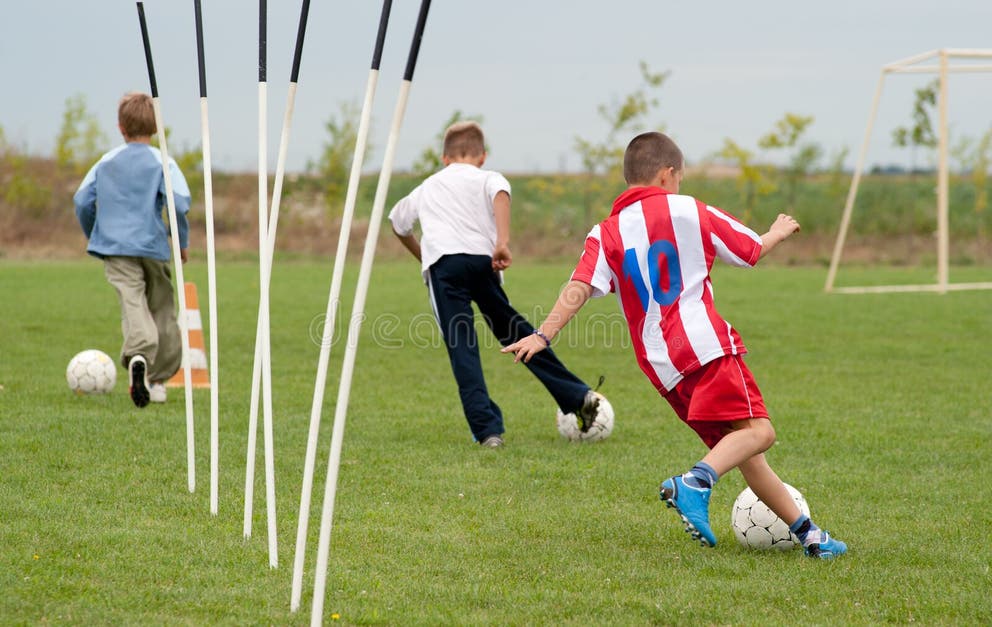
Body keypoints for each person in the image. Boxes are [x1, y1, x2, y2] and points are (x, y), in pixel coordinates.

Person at [502, 131, 846, 558]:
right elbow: (751, 250)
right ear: (667, 175)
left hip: (663, 367)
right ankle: (694, 483)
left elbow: (579, 287)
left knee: (744, 450)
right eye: (679, 178)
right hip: (706, 347)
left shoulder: (606, 231)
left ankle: (811, 536)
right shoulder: (688, 209)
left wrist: (542, 334)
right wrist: (777, 231)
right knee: (761, 432)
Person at [388, 121, 603, 448]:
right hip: (482, 263)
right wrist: (502, 242)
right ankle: (578, 396)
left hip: (445, 269)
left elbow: (398, 222)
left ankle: (489, 433)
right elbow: (500, 193)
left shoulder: (428, 186)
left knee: (463, 349)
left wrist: (424, 257)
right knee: (520, 333)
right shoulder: (488, 177)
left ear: (445, 157)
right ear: (482, 156)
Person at [73, 92, 190, 408]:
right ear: (154, 127)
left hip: (115, 247)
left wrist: (94, 233)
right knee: (163, 307)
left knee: (133, 301)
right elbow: (179, 203)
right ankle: (158, 380)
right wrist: (181, 240)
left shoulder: (106, 161)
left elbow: (82, 201)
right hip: (153, 244)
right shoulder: (163, 161)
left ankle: (139, 353)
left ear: (120, 127)